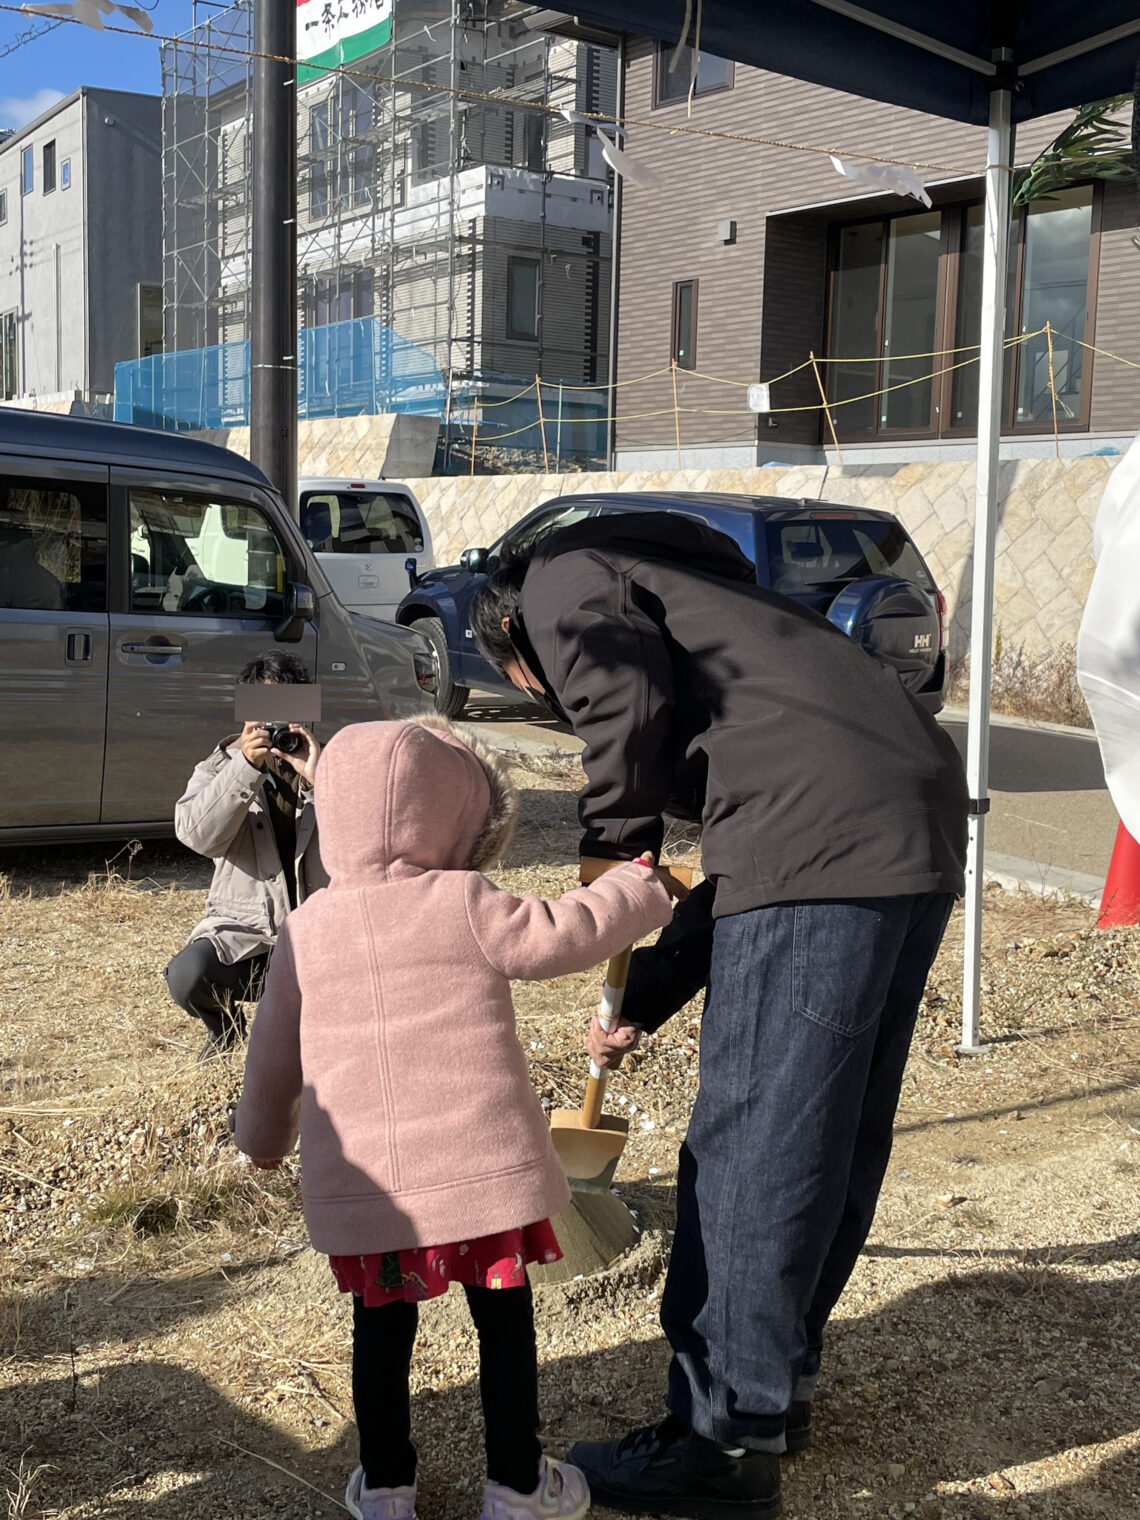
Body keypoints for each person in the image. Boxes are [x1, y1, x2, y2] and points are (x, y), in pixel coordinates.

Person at [469, 513, 969, 1520]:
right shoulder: (719, 608)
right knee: (829, 1133)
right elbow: (752, 867)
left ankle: (721, 1439)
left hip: (825, 833)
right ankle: (776, 1390)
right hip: (910, 821)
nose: (552, 702)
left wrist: (611, 870)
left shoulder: (559, 575)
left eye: (534, 686)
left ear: (511, 635)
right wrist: (646, 993)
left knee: (754, 1150)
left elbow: (624, 713)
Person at [231, 716, 675, 1520]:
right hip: (481, 1180)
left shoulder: (306, 928)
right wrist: (637, 890)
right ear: (452, 814)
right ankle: (516, 1487)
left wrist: (262, 1138)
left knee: (380, 1332)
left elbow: (273, 1053)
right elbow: (564, 934)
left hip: (373, 1191)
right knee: (503, 1325)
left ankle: (386, 1489)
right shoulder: (464, 900)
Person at [164, 651, 325, 1057]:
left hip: (320, 935)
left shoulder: (328, 762)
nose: (276, 723)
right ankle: (225, 1028)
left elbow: (371, 838)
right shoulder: (219, 767)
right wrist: (246, 767)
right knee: (187, 975)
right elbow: (197, 837)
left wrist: (322, 780)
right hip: (248, 933)